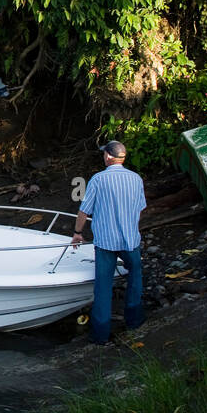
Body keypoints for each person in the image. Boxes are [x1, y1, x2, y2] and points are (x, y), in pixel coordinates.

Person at [71, 140, 146, 345]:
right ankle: (134, 321)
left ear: (109, 156)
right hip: (131, 240)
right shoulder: (136, 178)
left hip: (105, 242)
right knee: (135, 277)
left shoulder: (98, 179)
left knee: (103, 288)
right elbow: (139, 208)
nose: (103, 156)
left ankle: (100, 336)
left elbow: (84, 210)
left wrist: (78, 232)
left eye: (104, 153)